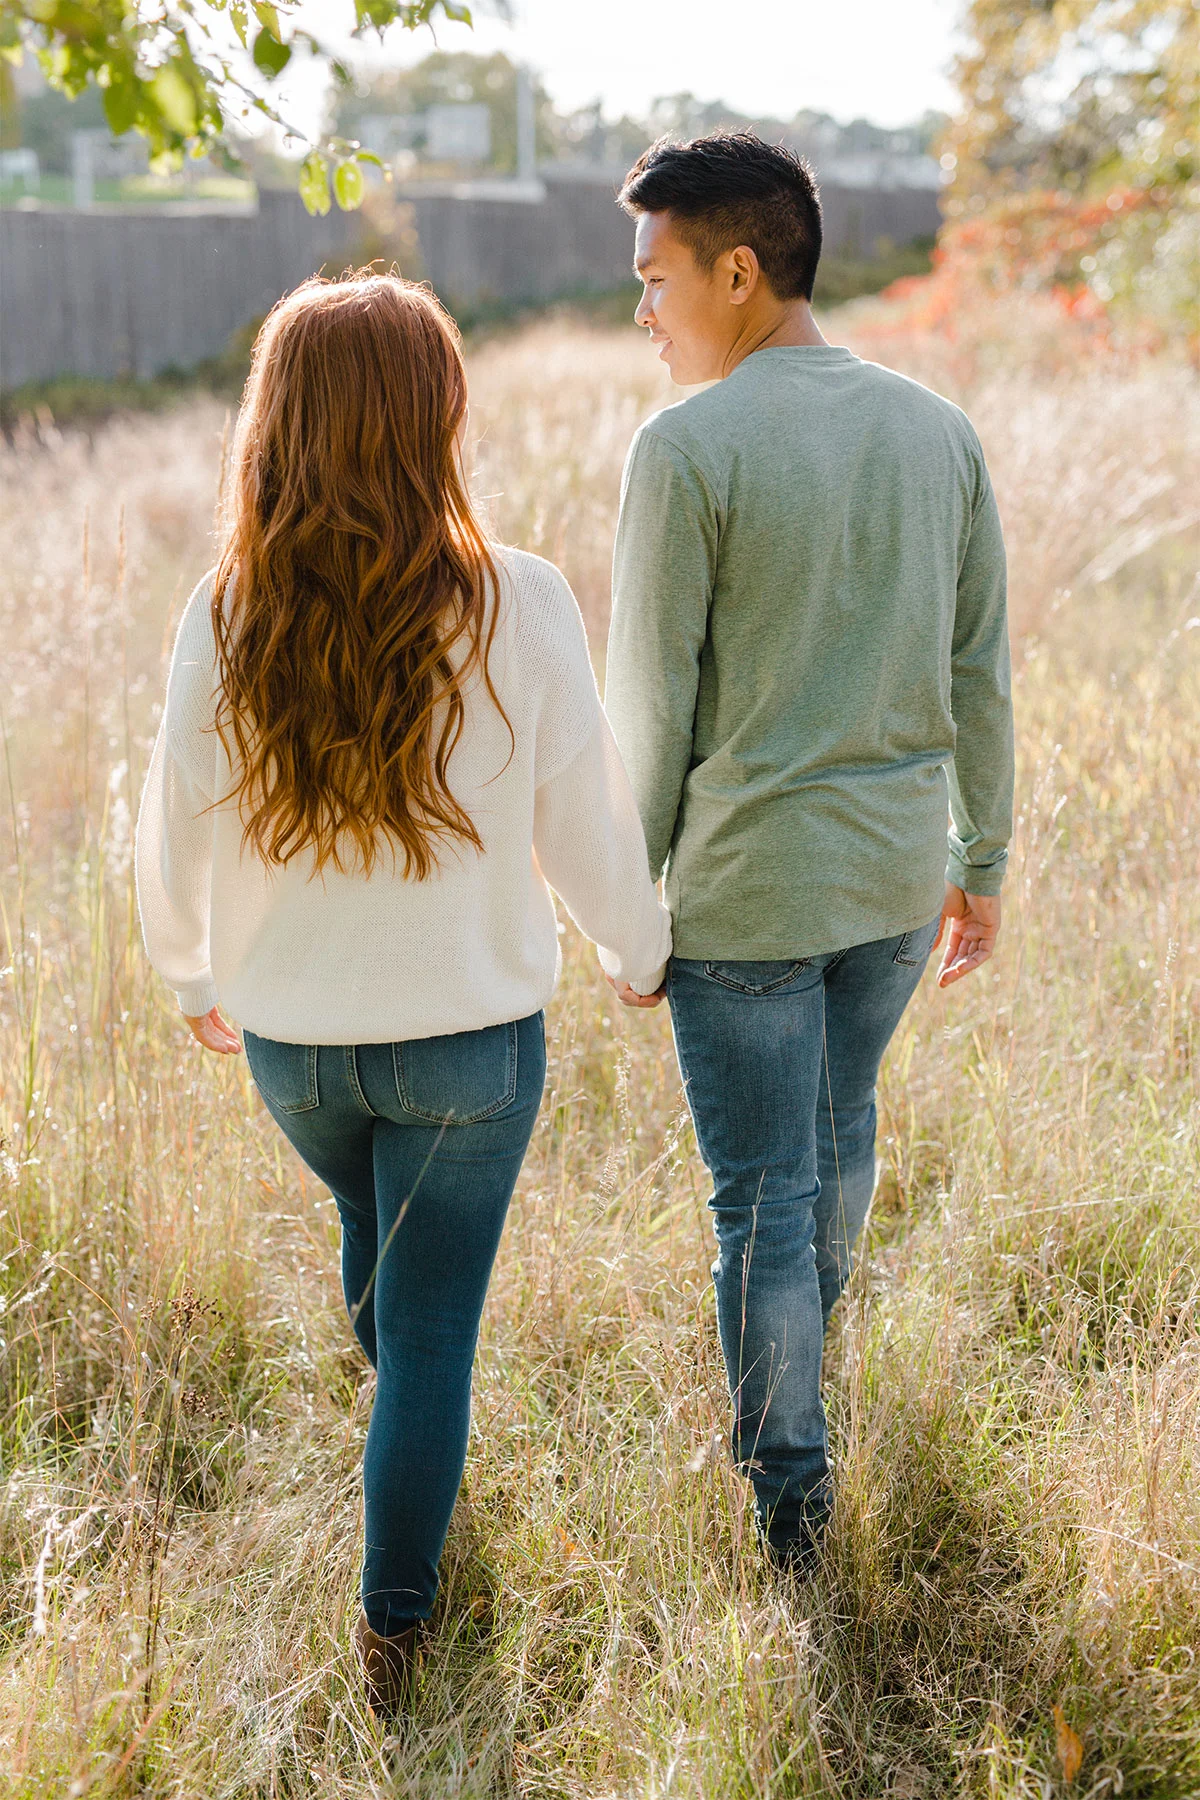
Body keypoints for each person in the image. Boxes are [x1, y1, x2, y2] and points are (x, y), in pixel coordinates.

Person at [135, 273, 671, 1718]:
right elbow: (585, 818)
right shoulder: (522, 596)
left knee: (382, 1269)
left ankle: (400, 1467)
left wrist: (188, 966)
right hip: (467, 1052)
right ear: (438, 411)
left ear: (279, 421)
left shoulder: (227, 607)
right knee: (427, 1339)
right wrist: (637, 947)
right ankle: (395, 1631)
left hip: (296, 1053)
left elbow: (173, 811)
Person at [604, 133, 1014, 1570]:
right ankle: (805, 1397)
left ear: (738, 268)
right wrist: (988, 859)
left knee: (761, 1203)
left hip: (748, 905)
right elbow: (983, 674)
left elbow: (648, 712)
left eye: (654, 278)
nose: (640, 307)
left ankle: (791, 1496)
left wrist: (623, 913)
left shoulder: (686, 447)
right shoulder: (939, 430)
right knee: (836, 1145)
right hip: (897, 886)